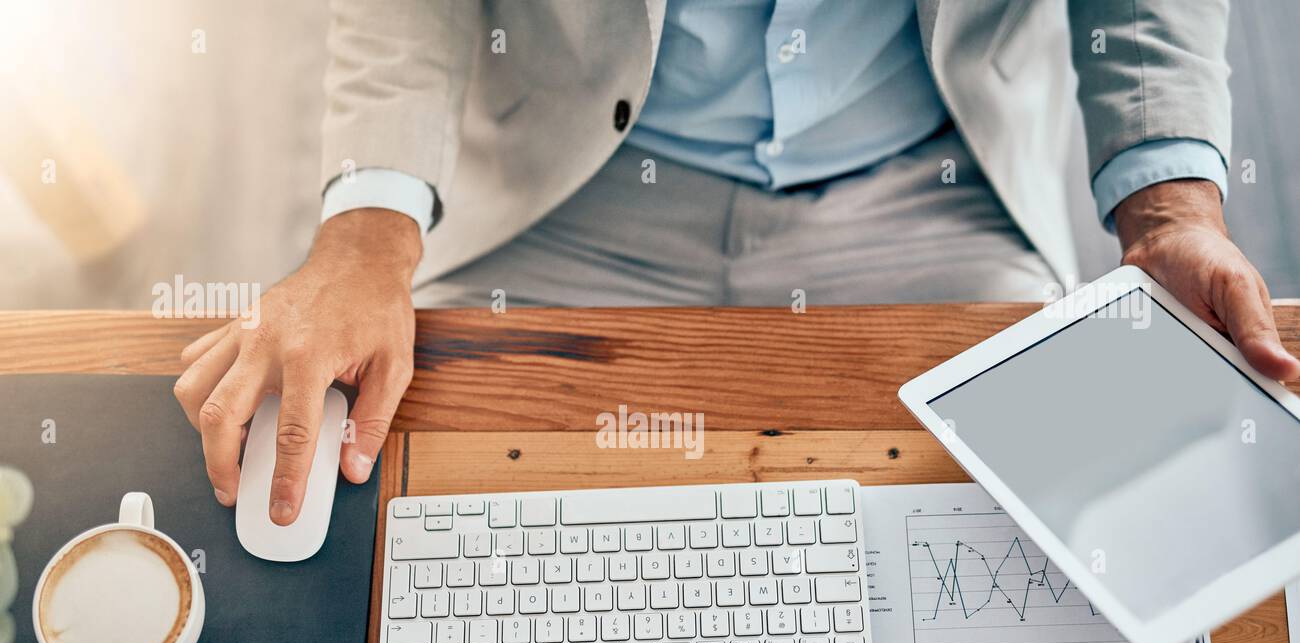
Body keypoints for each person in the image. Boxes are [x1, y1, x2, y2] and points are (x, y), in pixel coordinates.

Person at [172, 0, 1300, 525]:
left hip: (929, 184)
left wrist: (1167, 215)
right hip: (578, 178)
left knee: (1050, 538)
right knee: (404, 498)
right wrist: (366, 232)